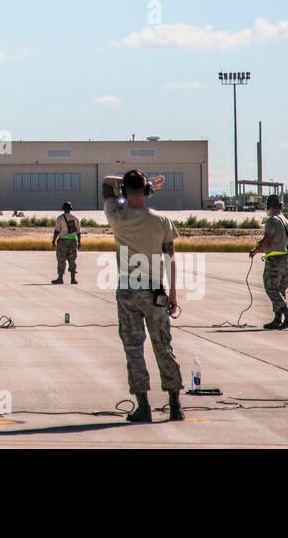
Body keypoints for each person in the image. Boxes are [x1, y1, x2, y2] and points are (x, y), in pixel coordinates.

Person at [102, 170, 184, 422]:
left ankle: (143, 406)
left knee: (133, 349)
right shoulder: (162, 221)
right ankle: (174, 404)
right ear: (146, 191)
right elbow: (170, 257)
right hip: (154, 290)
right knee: (163, 346)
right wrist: (173, 293)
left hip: (128, 291)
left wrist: (141, 185)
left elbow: (107, 182)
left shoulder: (117, 216)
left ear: (125, 192)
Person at [250, 194, 288, 330]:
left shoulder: (272, 221)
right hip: (285, 258)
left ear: (268, 206)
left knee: (271, 288)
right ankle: (277, 319)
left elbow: (267, 239)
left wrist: (255, 251)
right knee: (280, 289)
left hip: (275, 259)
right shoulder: (285, 220)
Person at [51, 201, 81, 284]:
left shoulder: (60, 218)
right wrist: (79, 242)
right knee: (72, 259)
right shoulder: (75, 218)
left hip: (63, 240)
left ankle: (60, 278)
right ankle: (73, 279)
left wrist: (53, 241)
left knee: (61, 259)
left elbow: (57, 230)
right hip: (73, 240)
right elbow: (78, 232)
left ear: (63, 209)